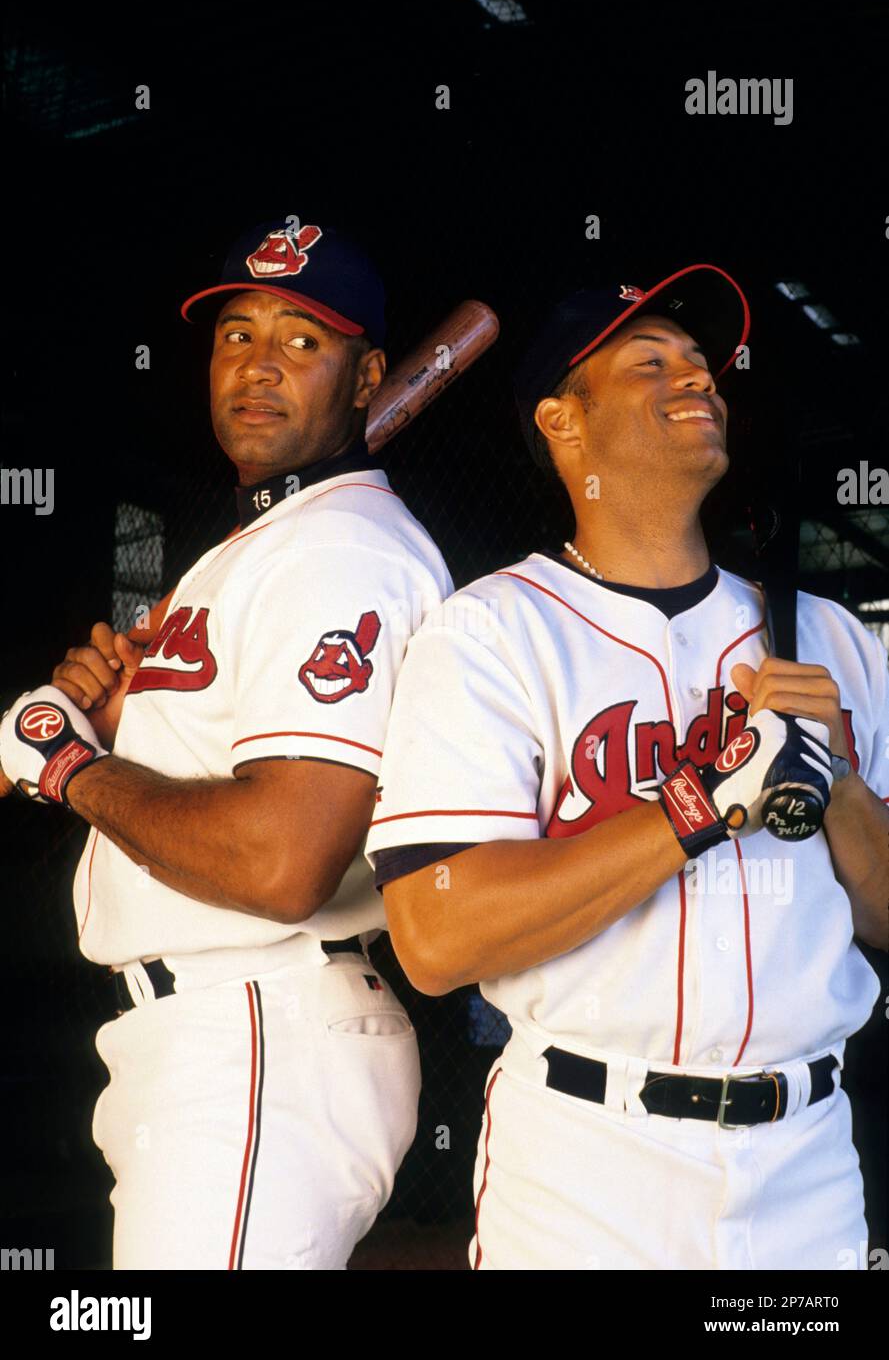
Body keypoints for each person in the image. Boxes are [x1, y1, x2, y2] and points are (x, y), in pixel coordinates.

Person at [363, 265, 889, 1270]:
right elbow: (433, 934)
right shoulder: (491, 632)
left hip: (808, 1159)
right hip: (589, 1158)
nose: (696, 379)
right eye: (650, 362)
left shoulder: (825, 637)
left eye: (701, 364)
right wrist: (701, 803)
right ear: (563, 424)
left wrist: (836, 788)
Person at [0, 216, 452, 1270]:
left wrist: (72, 768)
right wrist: (114, 718)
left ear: (368, 374)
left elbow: (281, 861)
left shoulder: (340, 550)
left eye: (303, 340)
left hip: (258, 1025)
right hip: (216, 1036)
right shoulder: (262, 547)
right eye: (236, 334)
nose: (258, 365)